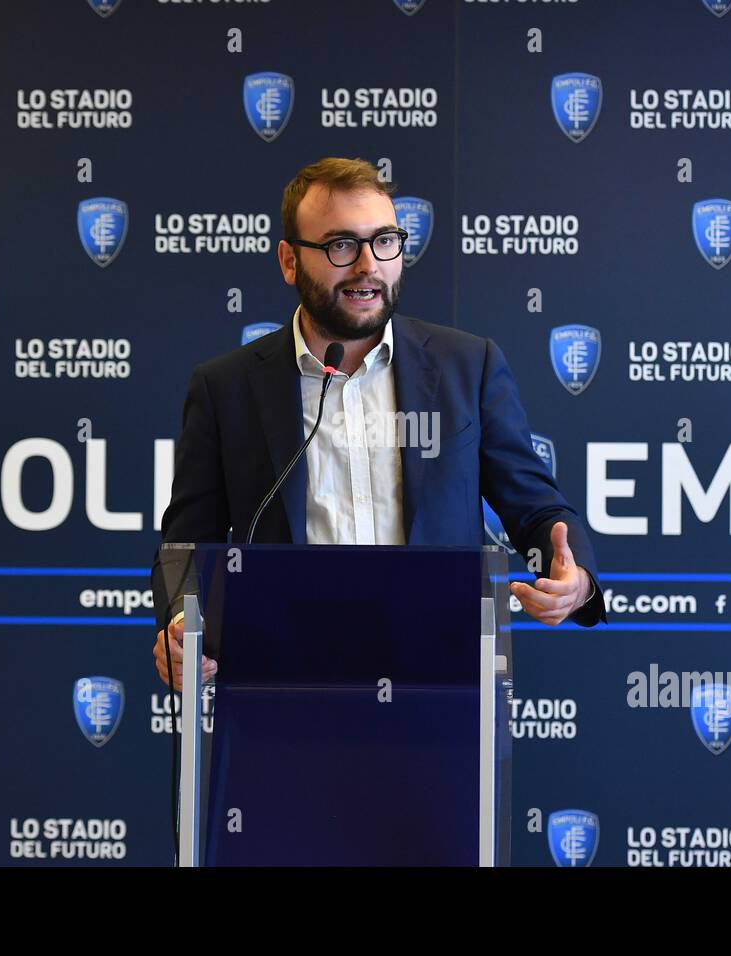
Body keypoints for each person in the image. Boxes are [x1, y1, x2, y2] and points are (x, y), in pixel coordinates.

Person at [153, 157, 606, 690]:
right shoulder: (225, 388)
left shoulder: (468, 367)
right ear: (289, 261)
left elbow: (536, 509)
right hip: (280, 696)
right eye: (341, 245)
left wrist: (575, 581)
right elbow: (187, 543)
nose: (368, 265)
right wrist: (180, 629)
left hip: (438, 690)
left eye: (385, 241)